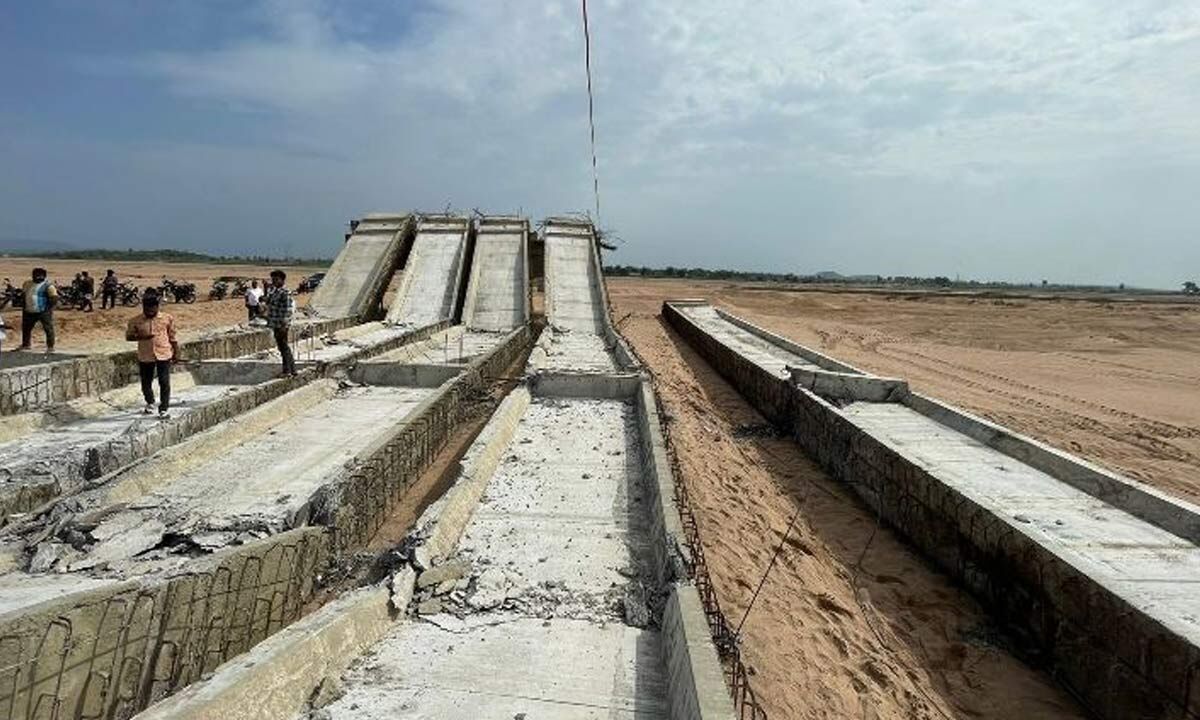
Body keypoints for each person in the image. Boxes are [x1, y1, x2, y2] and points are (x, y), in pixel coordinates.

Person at [125, 290, 178, 418]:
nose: (149, 311)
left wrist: (176, 353)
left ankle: (164, 408)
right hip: (145, 355)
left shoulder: (167, 318)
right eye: (146, 308)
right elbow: (129, 337)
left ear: (157, 306)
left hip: (164, 353)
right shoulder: (135, 321)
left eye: (152, 308)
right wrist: (141, 336)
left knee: (164, 382)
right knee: (146, 383)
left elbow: (173, 337)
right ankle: (150, 402)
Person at [264, 269, 296, 377]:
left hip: (281, 325)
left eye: (276, 279)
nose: (273, 281)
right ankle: (292, 370)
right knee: (283, 347)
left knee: (284, 347)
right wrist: (266, 289)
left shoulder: (285, 292)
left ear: (282, 280)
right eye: (273, 279)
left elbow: (288, 310)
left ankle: (287, 371)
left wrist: (284, 324)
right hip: (275, 324)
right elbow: (268, 302)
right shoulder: (275, 291)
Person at [19, 268, 57, 352]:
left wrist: (48, 308)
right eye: (35, 275)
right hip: (29, 310)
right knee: (26, 328)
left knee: (48, 328)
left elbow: (54, 298)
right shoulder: (27, 284)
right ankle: (26, 344)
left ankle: (50, 347)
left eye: (39, 275)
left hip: (43, 311)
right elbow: (23, 295)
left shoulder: (48, 286)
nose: (37, 277)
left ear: (44, 276)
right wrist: (24, 307)